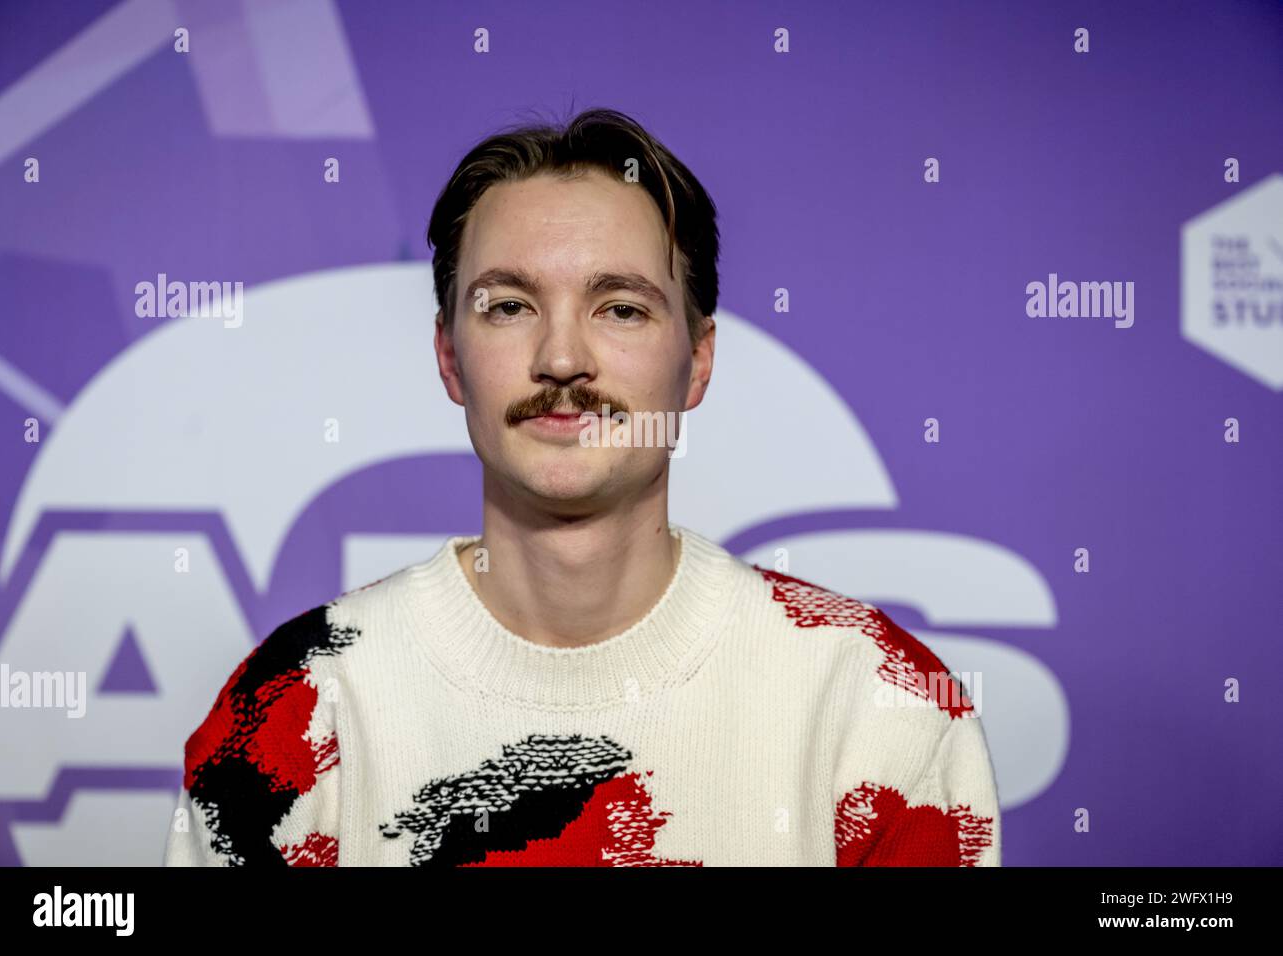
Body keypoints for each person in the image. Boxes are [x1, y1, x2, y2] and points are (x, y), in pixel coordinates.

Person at [163, 107, 1000, 867]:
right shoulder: (296, 710)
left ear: (698, 360)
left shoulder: (877, 706)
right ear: (449, 357)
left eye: (621, 308)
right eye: (508, 306)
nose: (562, 360)